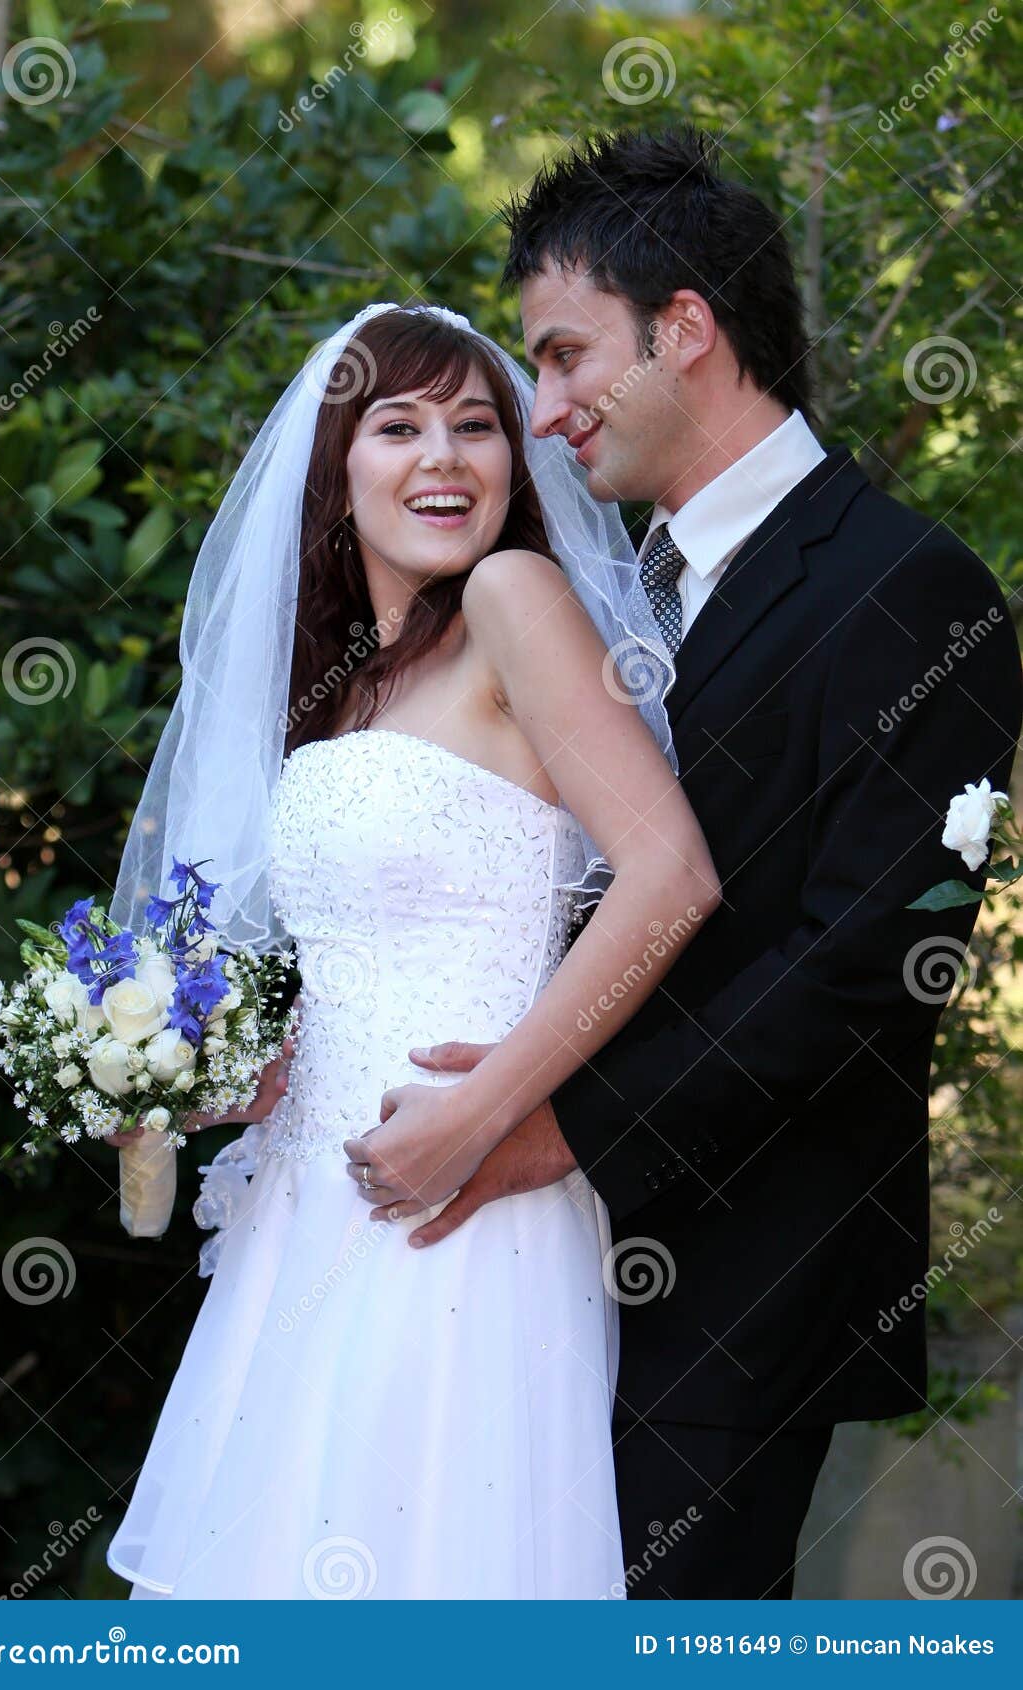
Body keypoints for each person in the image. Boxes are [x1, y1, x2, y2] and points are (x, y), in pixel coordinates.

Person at [354, 127, 1023, 1599]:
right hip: (516, 1288)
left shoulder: (911, 588)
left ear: (687, 332)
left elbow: (866, 979)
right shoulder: (605, 587)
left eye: (565, 355)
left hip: (734, 1300)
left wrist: (556, 1131)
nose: (543, 414)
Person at [102, 301, 720, 1599]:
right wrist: (227, 1076)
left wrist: (491, 1110)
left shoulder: (513, 596)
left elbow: (669, 876)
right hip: (302, 1212)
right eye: (399, 427)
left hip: (463, 1201)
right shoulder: (343, 691)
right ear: (340, 469)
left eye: (477, 425)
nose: (445, 457)